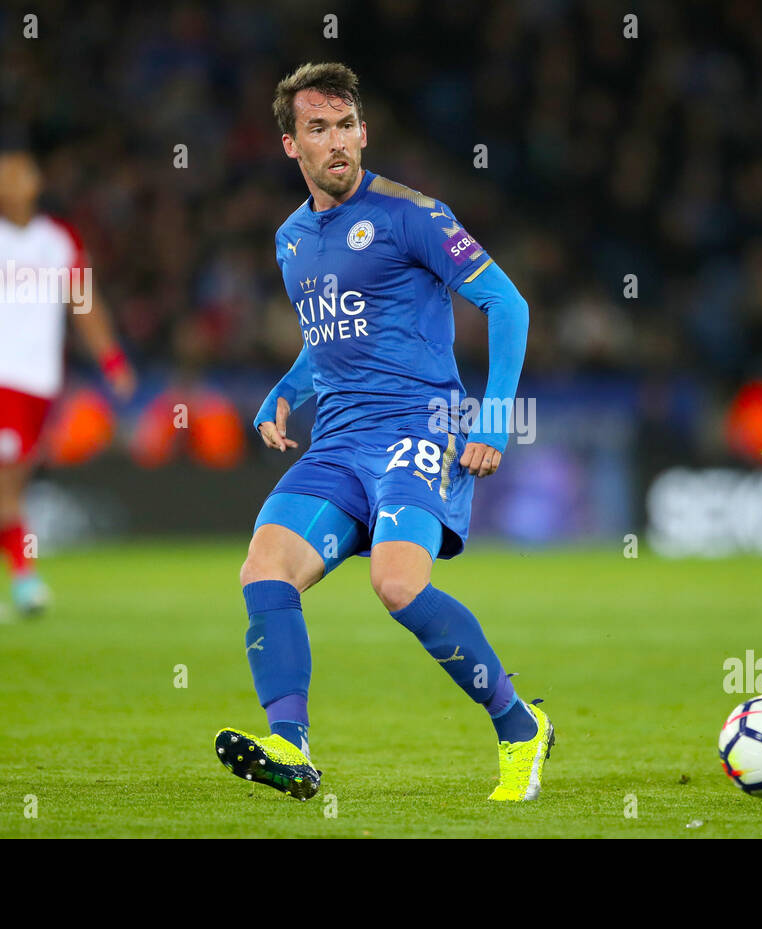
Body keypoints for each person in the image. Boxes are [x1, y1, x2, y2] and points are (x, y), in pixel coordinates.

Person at [215, 62, 553, 802]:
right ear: (289, 146)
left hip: (419, 429)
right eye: (317, 129)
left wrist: (491, 417)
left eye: (345, 126)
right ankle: (291, 746)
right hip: (337, 439)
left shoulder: (414, 214)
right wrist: (287, 388)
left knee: (397, 583)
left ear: (363, 132)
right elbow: (330, 336)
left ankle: (520, 727)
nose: (335, 142)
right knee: (263, 569)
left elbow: (508, 303)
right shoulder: (290, 240)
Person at [0, 150, 135, 621]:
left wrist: (111, 358)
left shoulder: (59, 239)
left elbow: (84, 302)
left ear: (35, 183)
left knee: (9, 482)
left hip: (43, 379)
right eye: (0, 176)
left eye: (18, 174)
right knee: (4, 476)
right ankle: (25, 578)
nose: (9, 183)